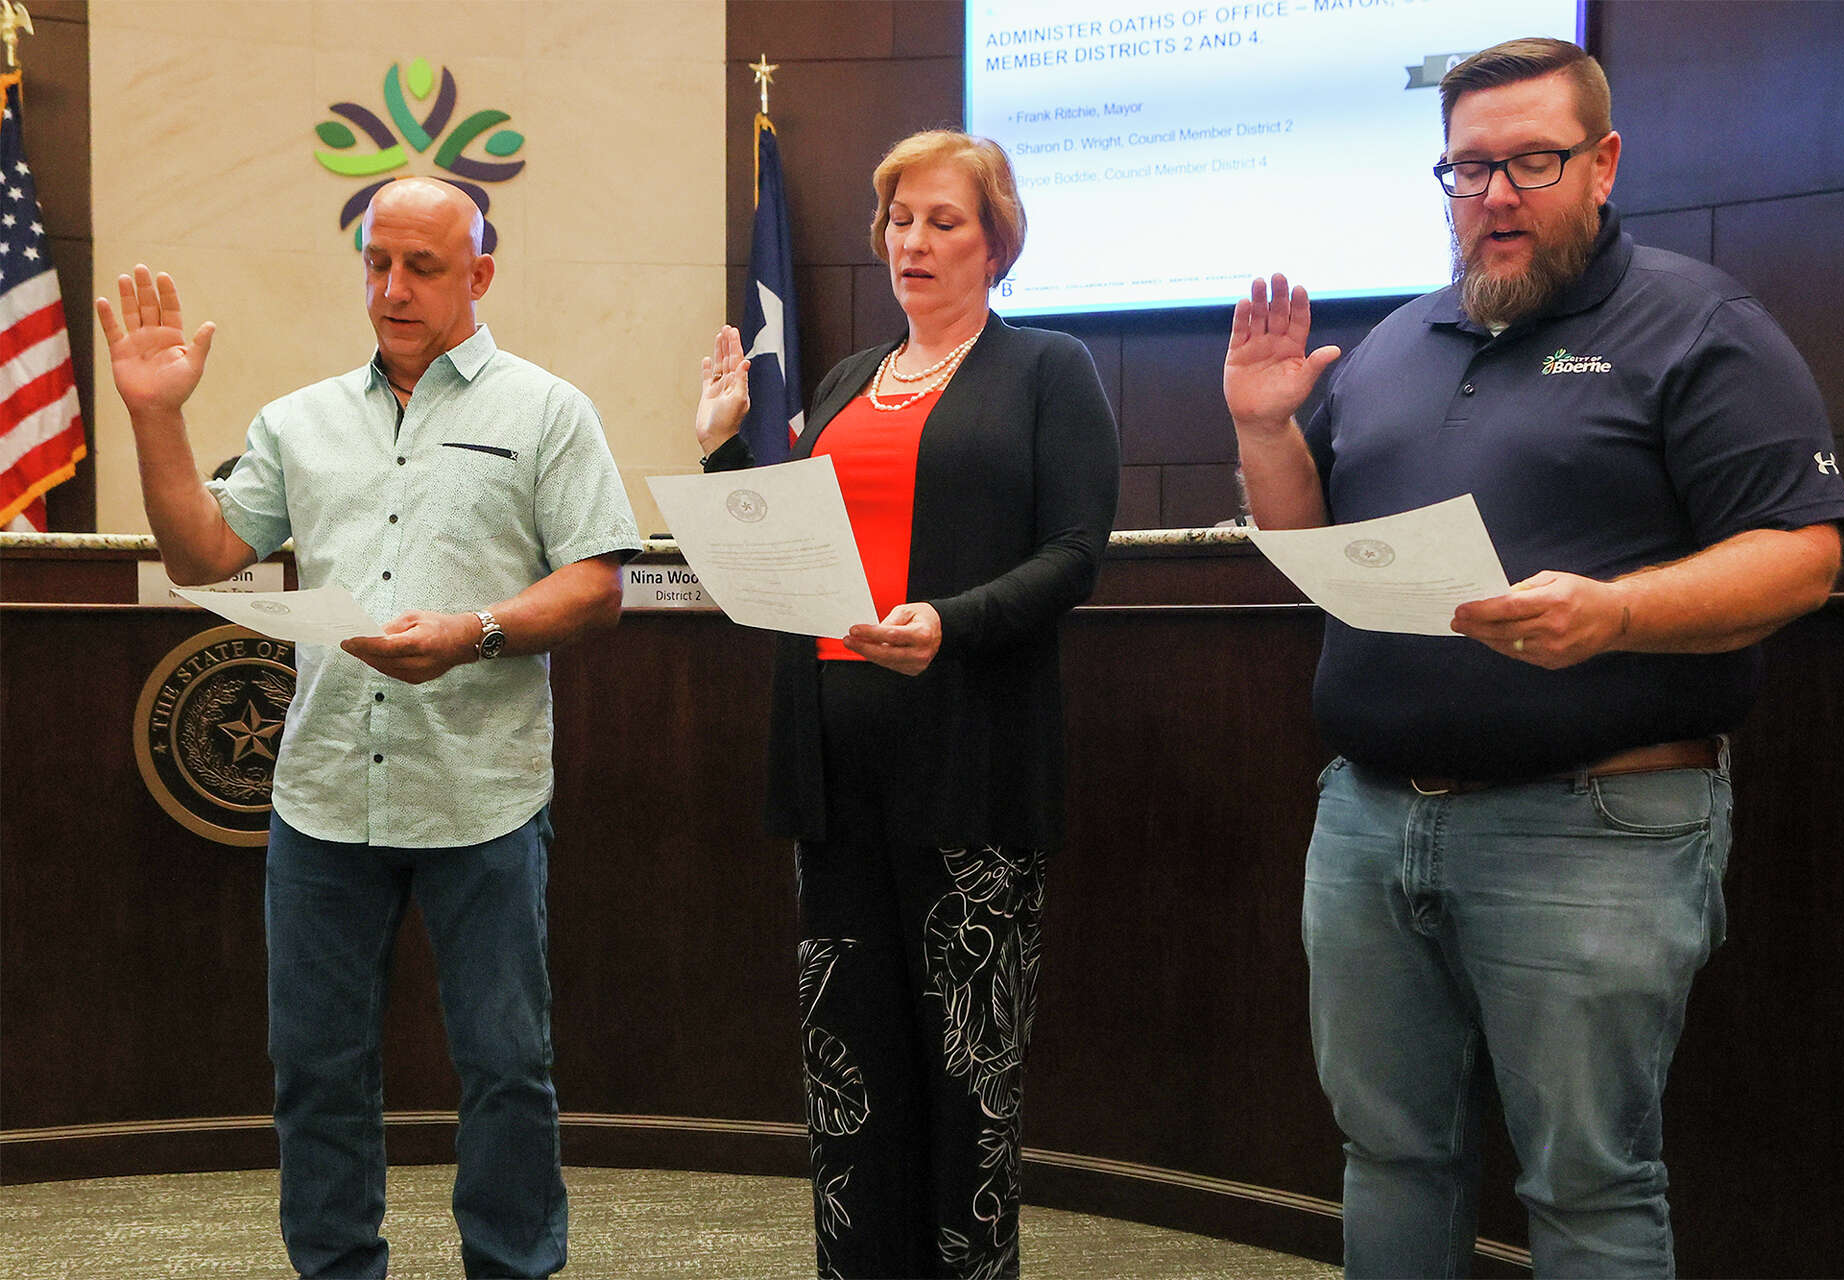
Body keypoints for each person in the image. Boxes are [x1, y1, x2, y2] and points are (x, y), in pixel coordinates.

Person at [1222, 38, 1844, 1278]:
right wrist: (1263, 429)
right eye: (1468, 168)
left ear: (1604, 164)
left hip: (1595, 822)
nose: (1496, 195)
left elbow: (1804, 555)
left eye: (1533, 162)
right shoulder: (1398, 341)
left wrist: (1614, 613)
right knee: (1388, 1152)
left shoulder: (1701, 322)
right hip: (1368, 819)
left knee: (1588, 1183)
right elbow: (1311, 548)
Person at [96, 177, 640, 1279]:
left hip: (481, 794)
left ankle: (512, 1266)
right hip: (327, 792)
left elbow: (596, 583)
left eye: (424, 267)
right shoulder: (299, 421)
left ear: (479, 275)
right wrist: (157, 413)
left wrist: (476, 628)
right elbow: (205, 555)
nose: (392, 288)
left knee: (504, 1065)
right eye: (377, 262)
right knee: (317, 1070)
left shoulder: (546, 410)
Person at [693, 130, 1119, 1278]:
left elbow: (1078, 552)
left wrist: (952, 619)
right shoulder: (840, 382)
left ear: (997, 241)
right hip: (833, 770)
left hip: (969, 768)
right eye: (898, 220)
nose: (913, 241)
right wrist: (729, 450)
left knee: (967, 1077)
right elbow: (778, 554)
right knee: (849, 1071)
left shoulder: (1047, 370)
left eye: (944, 220)